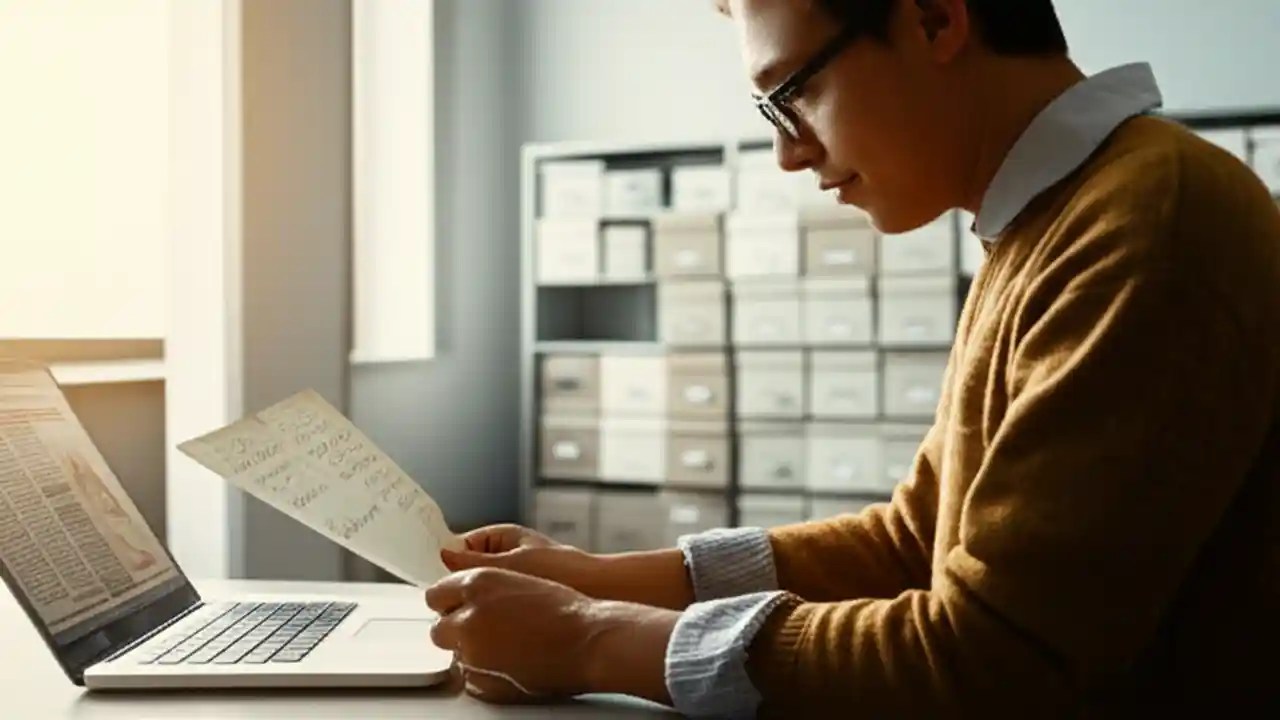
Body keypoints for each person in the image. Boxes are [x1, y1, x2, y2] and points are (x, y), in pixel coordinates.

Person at [425, 0, 1280, 716]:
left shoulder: (1144, 225)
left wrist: (593, 638)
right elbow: (917, 541)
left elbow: (994, 660)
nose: (788, 150)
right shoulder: (1053, 219)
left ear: (937, 19)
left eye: (792, 92)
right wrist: (604, 578)